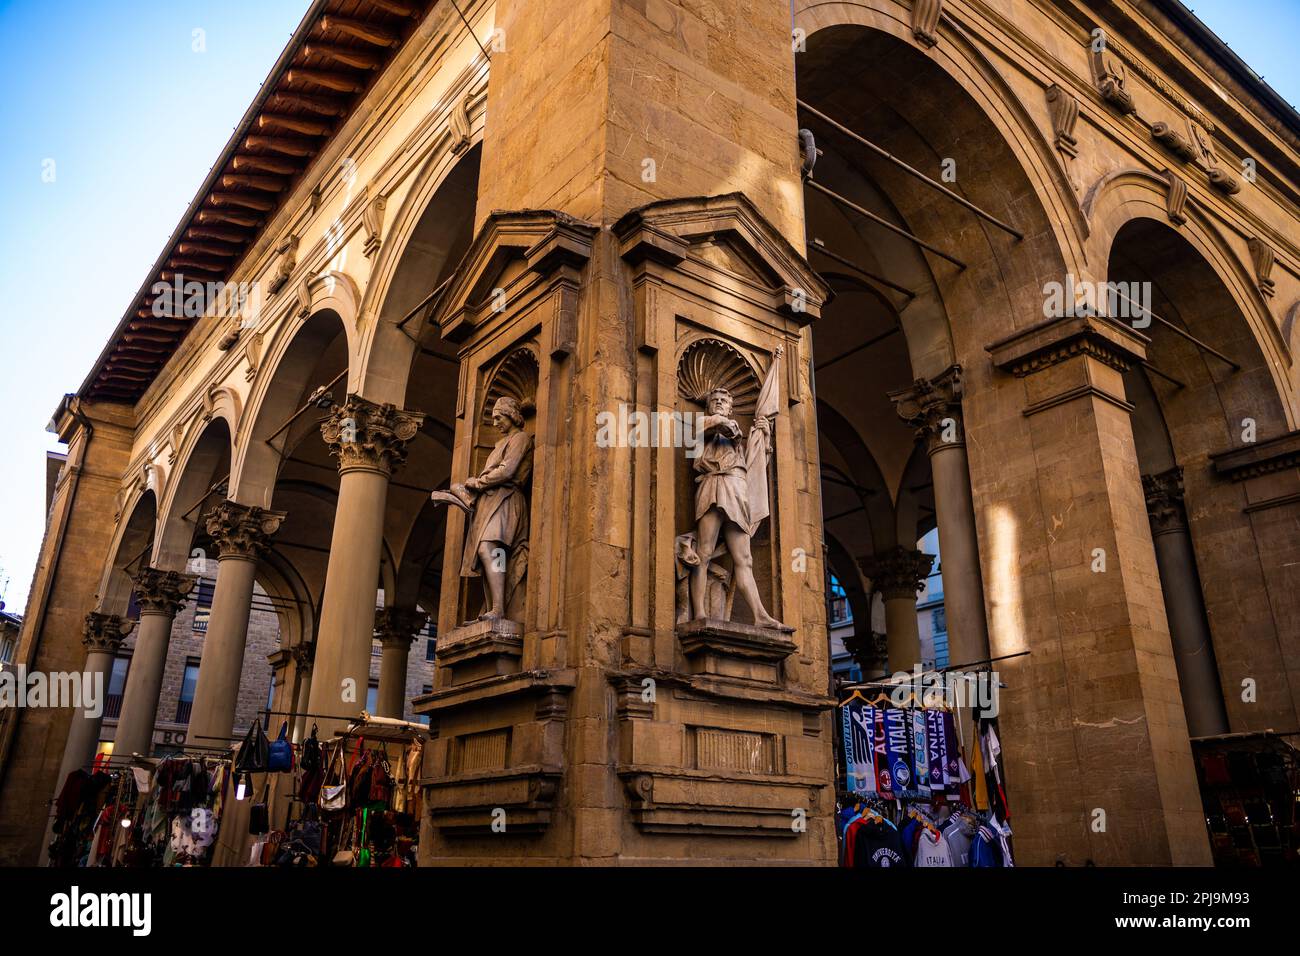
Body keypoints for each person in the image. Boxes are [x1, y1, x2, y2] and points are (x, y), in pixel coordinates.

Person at [690, 385, 783, 628]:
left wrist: (765, 437)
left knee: (745, 558)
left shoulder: (736, 434)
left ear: (731, 407)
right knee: (704, 553)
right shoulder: (704, 424)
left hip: (736, 486)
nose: (719, 402)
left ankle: (760, 616)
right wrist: (721, 424)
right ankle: (699, 612)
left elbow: (755, 465)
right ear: (709, 406)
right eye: (715, 400)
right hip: (711, 483)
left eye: (724, 400)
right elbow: (709, 429)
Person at [432, 396, 532, 621]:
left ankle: (498, 608)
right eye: (494, 418)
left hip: (506, 499)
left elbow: (507, 471)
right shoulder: (499, 444)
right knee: (487, 550)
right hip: (491, 501)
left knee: (490, 548)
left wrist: (477, 482)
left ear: (511, 415)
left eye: (499, 418)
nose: (495, 423)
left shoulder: (521, 439)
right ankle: (494, 606)